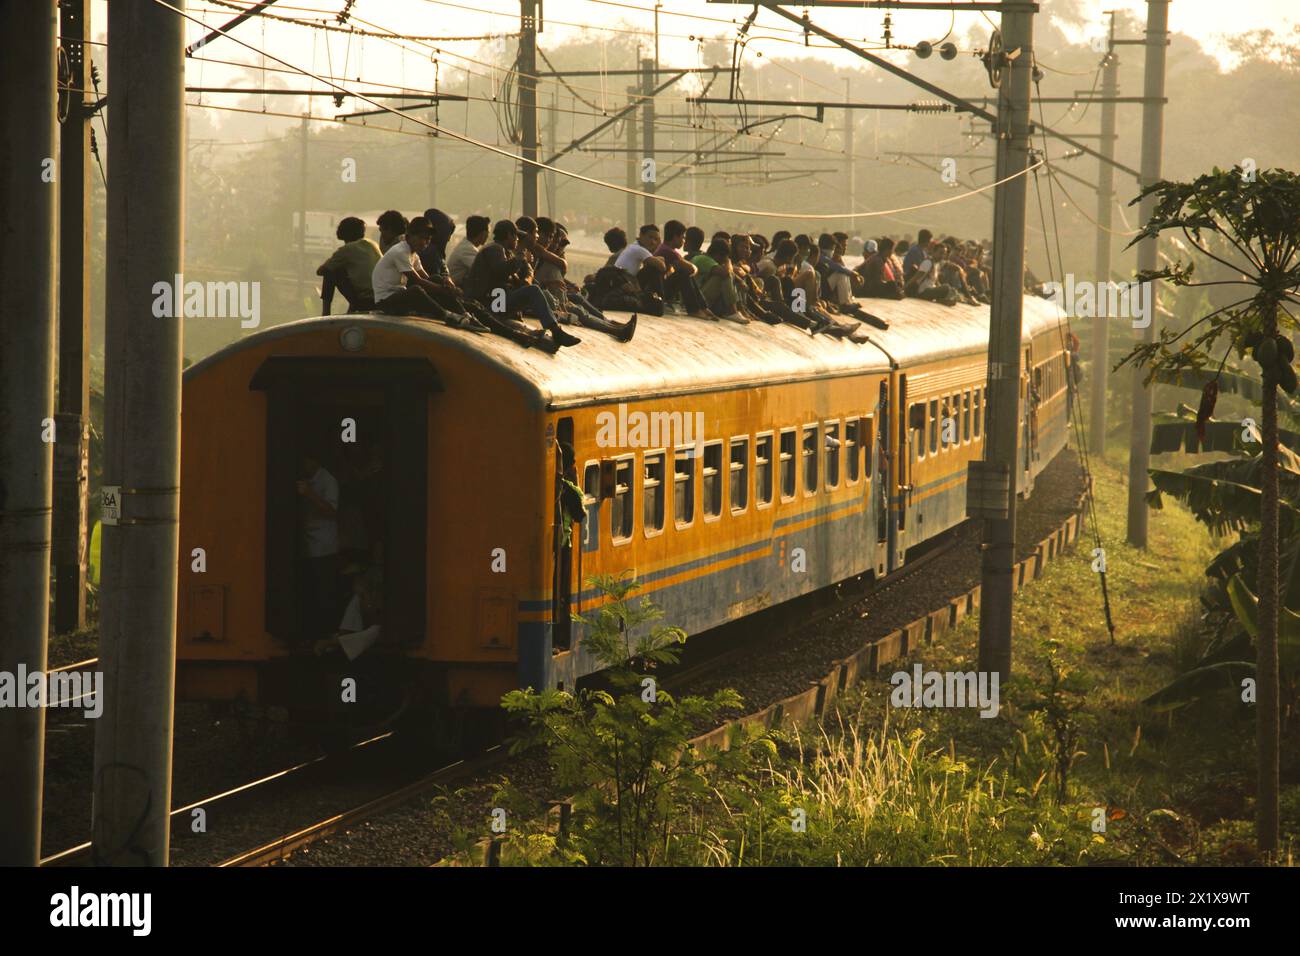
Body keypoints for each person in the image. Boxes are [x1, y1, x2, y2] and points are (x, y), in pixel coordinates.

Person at [463, 219, 582, 348]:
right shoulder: (495, 249)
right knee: (533, 291)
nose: (518, 241)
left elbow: (517, 278)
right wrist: (519, 259)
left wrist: (523, 265)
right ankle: (556, 331)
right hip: (491, 303)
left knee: (532, 290)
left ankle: (555, 330)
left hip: (497, 301)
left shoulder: (503, 251)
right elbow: (501, 271)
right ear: (509, 235)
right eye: (516, 237)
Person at [371, 216, 490, 331]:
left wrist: (446, 284)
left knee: (436, 278)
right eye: (422, 238)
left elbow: (427, 278)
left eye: (428, 240)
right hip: (386, 302)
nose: (425, 243)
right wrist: (443, 290)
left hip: (400, 297)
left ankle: (465, 315)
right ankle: (447, 315)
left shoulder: (414, 255)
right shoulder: (400, 252)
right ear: (409, 236)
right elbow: (418, 281)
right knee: (416, 289)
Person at [298, 450, 340, 648]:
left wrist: (310, 494)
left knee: (325, 595)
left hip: (325, 547)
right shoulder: (305, 479)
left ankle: (326, 638)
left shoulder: (328, 480)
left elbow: (332, 511)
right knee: (311, 593)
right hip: (307, 546)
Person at [317, 216, 380, 314]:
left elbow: (321, 271)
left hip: (365, 301)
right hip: (382, 297)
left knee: (331, 272)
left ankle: (326, 312)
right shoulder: (373, 244)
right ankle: (352, 308)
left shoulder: (347, 250)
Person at [448, 214, 489, 285]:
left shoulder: (466, 246)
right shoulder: (467, 249)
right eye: (488, 233)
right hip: (455, 289)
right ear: (483, 233)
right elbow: (483, 270)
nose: (488, 235)